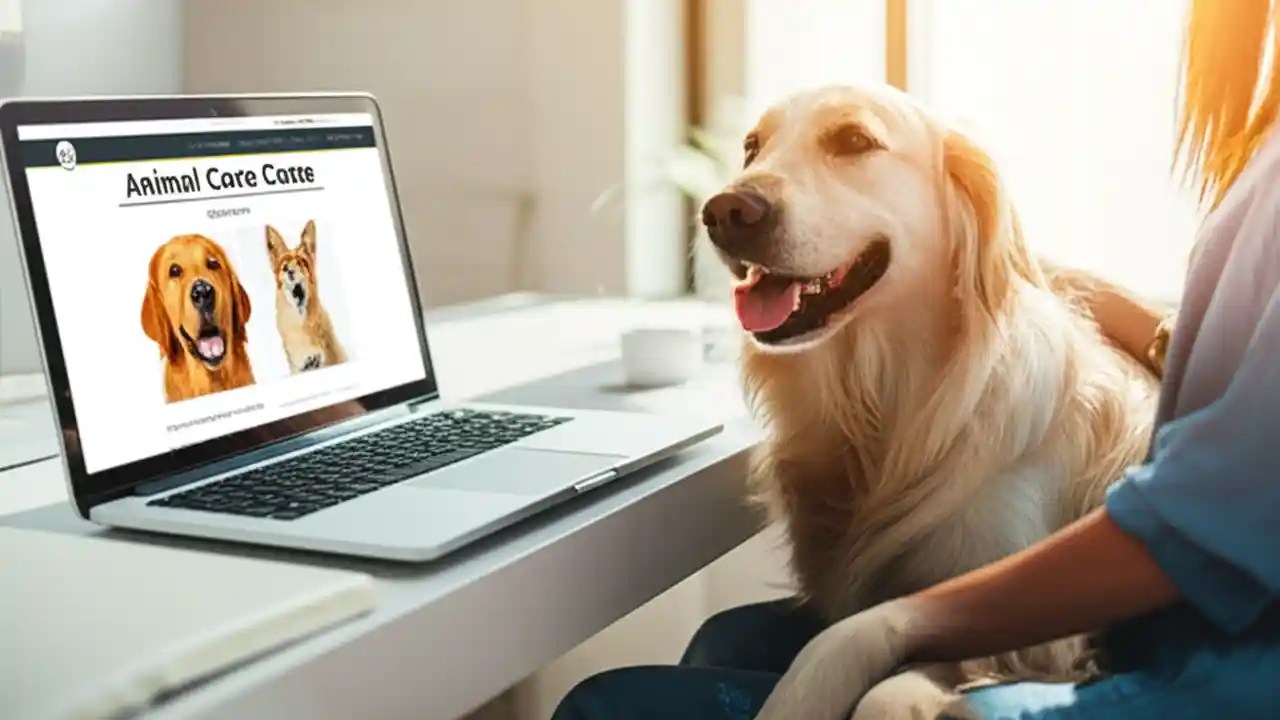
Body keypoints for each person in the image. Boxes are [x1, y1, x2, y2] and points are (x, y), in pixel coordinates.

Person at [551, 0, 1280, 717]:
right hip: (1191, 615)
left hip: (1195, 661)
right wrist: (1145, 326)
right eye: (755, 151)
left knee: (609, 703)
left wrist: (884, 637)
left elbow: (1197, 527)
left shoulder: (1029, 398)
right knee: (724, 638)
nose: (742, 193)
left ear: (960, 207)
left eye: (852, 143)